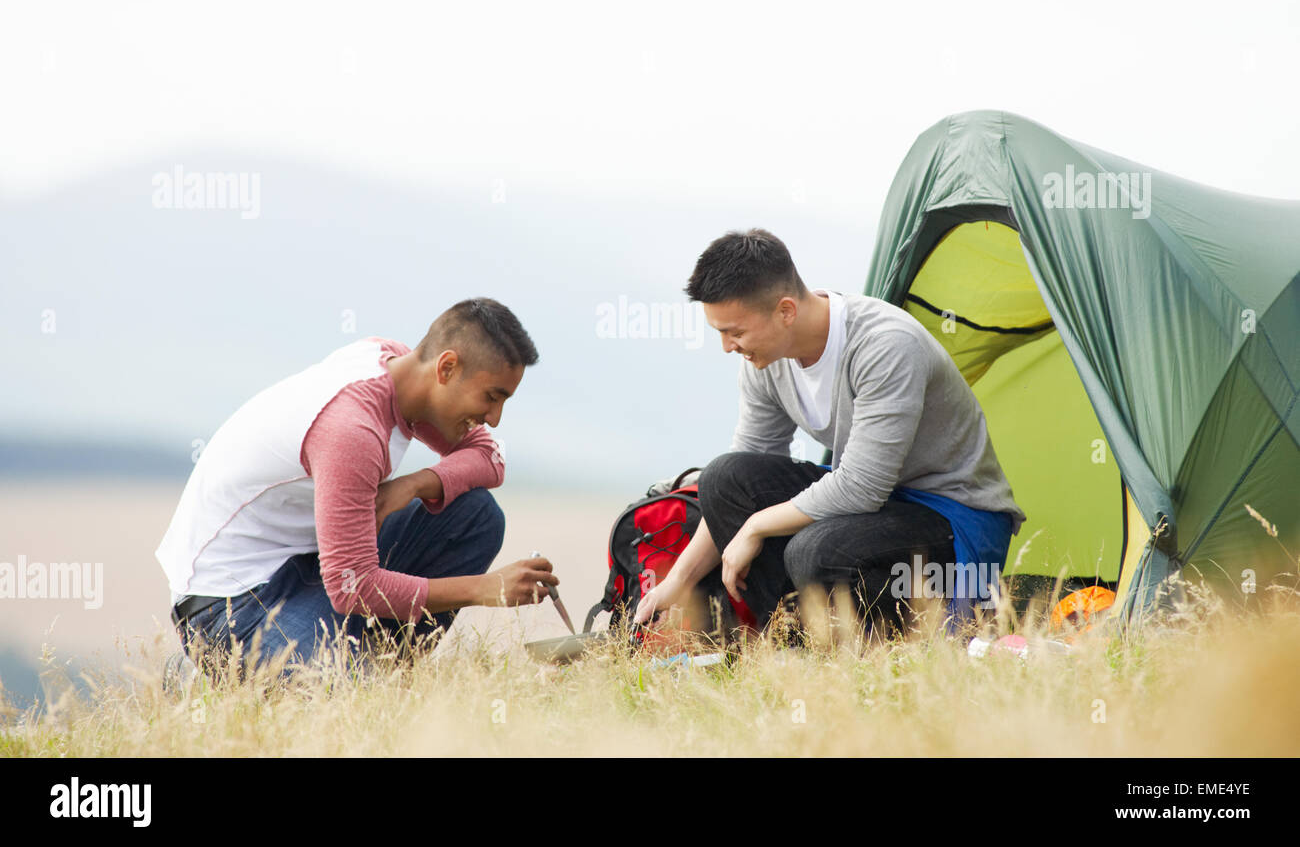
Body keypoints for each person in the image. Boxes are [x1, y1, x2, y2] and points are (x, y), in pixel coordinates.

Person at [633, 229, 1025, 639]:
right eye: (720, 333)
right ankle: (795, 639)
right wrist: (678, 581)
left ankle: (877, 642)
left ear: (785, 310)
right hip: (872, 507)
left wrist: (755, 527)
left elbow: (861, 488)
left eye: (735, 332)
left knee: (816, 551)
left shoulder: (885, 344)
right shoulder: (765, 360)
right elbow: (738, 481)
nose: (728, 347)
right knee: (724, 478)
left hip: (951, 513)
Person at [156, 297, 558, 678]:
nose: (495, 417)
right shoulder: (352, 429)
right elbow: (353, 587)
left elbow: (491, 457)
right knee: (343, 699)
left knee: (476, 515)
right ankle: (205, 676)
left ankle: (383, 671)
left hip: (307, 567)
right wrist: (485, 589)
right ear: (446, 368)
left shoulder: (396, 365)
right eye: (492, 396)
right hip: (231, 606)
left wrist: (417, 484)